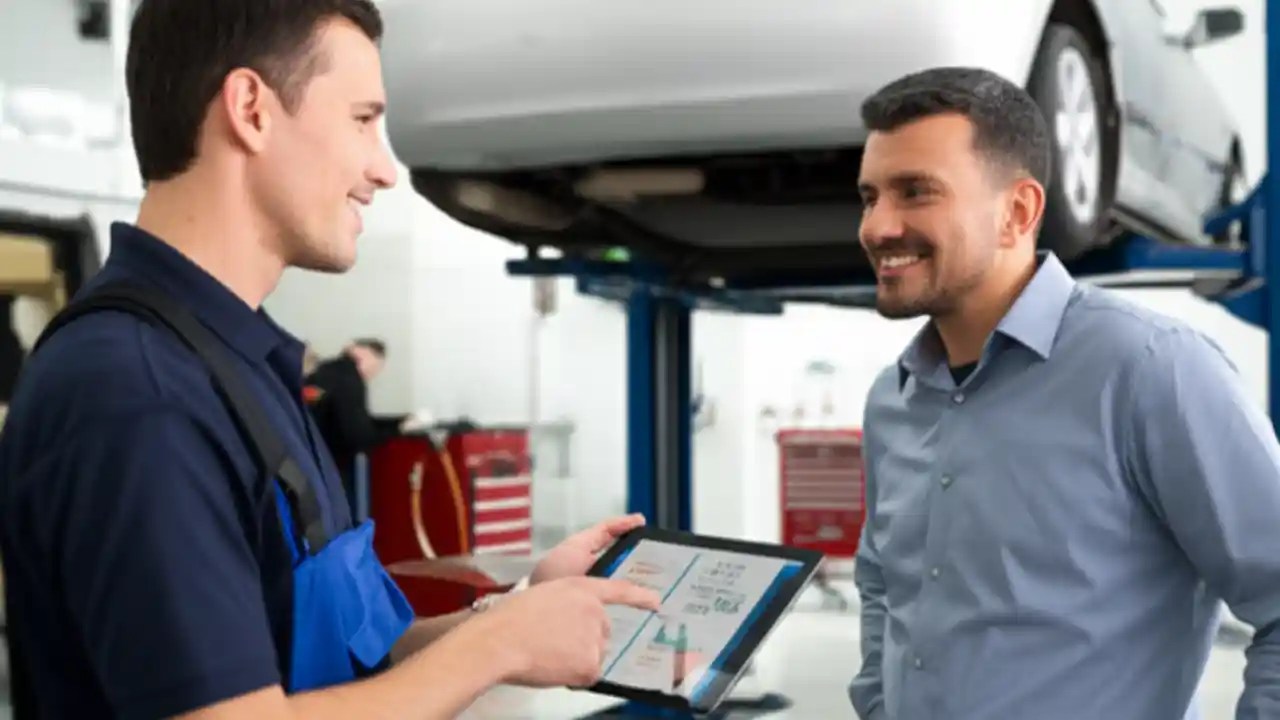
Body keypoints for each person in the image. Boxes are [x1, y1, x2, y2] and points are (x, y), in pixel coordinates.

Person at [0, 2, 660, 719]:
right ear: (251, 109)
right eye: (362, 119)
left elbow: (364, 658)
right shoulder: (136, 393)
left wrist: (525, 613)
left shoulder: (241, 362)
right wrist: (497, 645)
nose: (385, 170)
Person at [848, 66, 1280, 720]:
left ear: (1017, 211)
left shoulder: (1148, 369)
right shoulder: (893, 401)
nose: (878, 227)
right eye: (869, 195)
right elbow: (885, 586)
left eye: (915, 192)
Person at [305, 337, 414, 516]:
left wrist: (397, 421)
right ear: (369, 357)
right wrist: (396, 431)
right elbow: (358, 436)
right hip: (333, 472)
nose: (372, 375)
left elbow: (353, 419)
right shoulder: (349, 378)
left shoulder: (323, 372)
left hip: (308, 466)